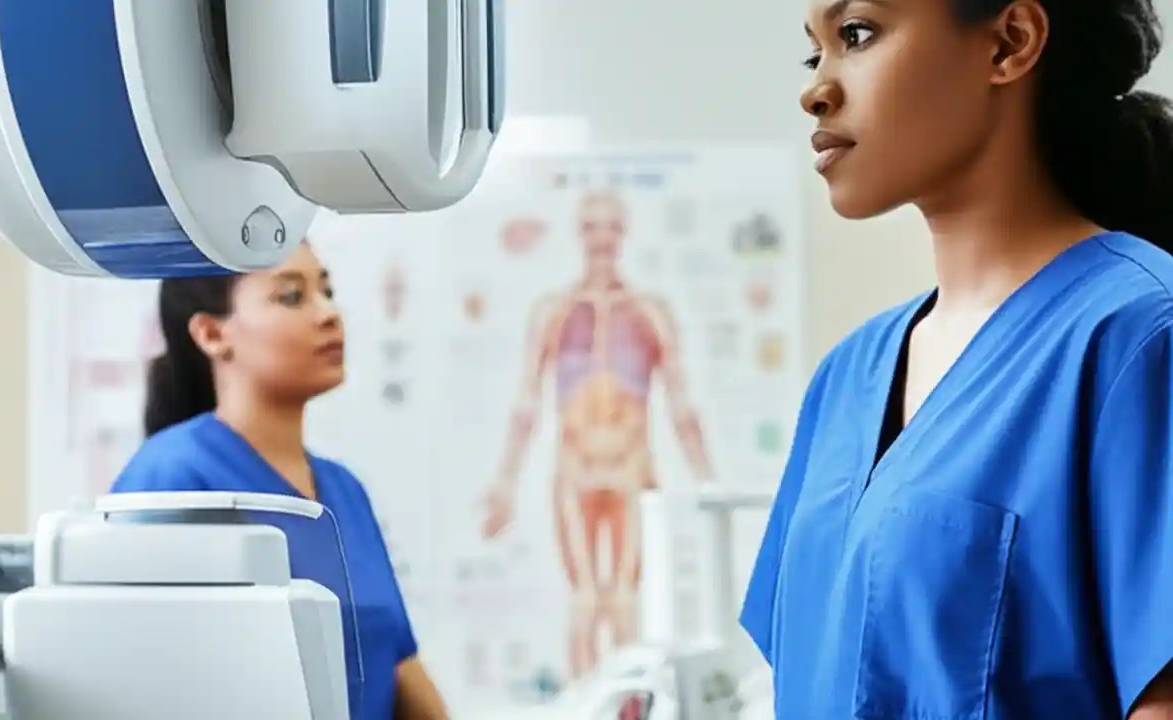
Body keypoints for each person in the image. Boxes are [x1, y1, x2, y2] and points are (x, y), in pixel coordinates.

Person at [740, 0, 1173, 718]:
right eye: (813, 52)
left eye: (856, 35)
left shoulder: (1137, 338)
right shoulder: (847, 377)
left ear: (1010, 43)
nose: (816, 88)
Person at [110, 242, 449, 720]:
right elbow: (136, 682)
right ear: (211, 333)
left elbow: (397, 663)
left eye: (327, 290)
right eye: (292, 297)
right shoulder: (172, 479)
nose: (329, 313)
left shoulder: (344, 491)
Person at [481, 190, 715, 679]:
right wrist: (504, 483)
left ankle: (627, 706)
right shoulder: (554, 311)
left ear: (623, 233)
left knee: (625, 603)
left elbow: (680, 403)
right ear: (579, 234)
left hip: (632, 467)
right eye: (591, 226)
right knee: (585, 600)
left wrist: (710, 484)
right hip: (575, 468)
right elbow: (527, 403)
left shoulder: (650, 310)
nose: (601, 238)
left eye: (610, 226)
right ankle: (587, 704)